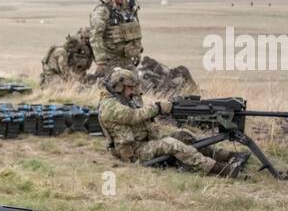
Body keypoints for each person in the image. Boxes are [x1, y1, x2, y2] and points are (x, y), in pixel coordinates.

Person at [97, 68, 248, 176]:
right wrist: (157, 107)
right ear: (118, 87)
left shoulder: (124, 99)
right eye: (129, 88)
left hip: (145, 142)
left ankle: (228, 156)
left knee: (183, 135)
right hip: (133, 153)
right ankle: (221, 169)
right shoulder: (109, 105)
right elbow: (133, 116)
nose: (133, 92)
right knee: (172, 144)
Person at [89, 0, 143, 79]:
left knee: (134, 86)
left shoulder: (128, 9)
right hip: (110, 62)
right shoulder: (102, 11)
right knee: (114, 89)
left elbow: (135, 32)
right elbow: (95, 36)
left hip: (127, 60)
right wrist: (100, 61)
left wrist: (136, 52)